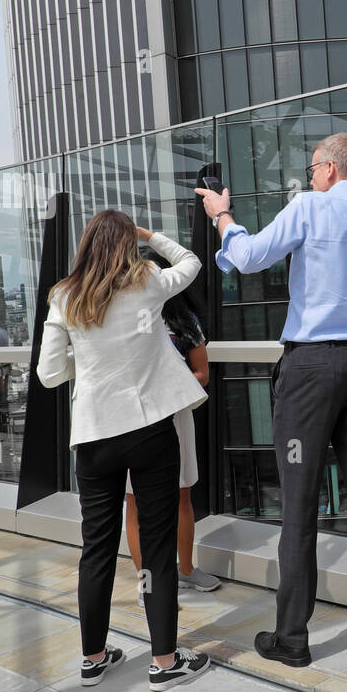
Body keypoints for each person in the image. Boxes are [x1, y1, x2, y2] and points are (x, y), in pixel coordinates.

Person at [196, 132, 347, 672]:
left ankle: (293, 637)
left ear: (328, 169)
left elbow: (249, 258)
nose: (309, 175)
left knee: (298, 505)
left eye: (312, 166)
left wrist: (222, 216)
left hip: (310, 370)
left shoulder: (309, 208)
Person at [37, 210, 211, 692]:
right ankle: (164, 661)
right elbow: (193, 261)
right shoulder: (149, 280)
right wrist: (147, 235)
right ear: (127, 244)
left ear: (86, 243)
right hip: (150, 429)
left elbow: (49, 374)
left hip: (94, 435)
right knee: (156, 547)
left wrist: (90, 358)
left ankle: (93, 659)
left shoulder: (64, 295)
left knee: (96, 549)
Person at [124, 247, 220, 605]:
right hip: (134, 417)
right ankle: (144, 578)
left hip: (176, 416)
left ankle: (186, 569)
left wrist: (171, 387)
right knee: (134, 502)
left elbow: (202, 373)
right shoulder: (126, 317)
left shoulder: (184, 323)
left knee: (181, 497)